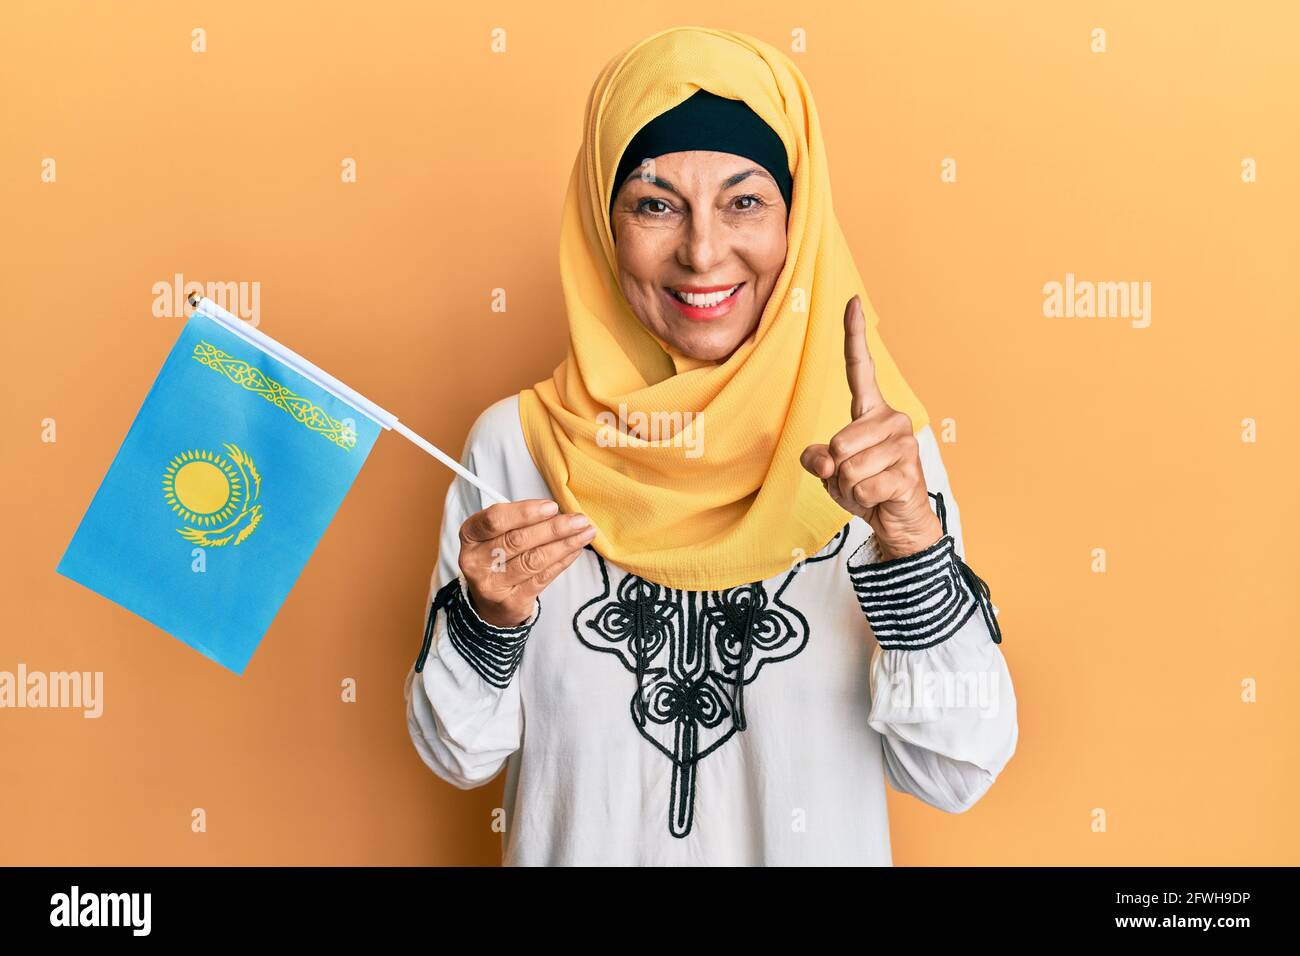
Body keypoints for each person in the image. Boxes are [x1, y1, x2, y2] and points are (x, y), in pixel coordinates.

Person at [403, 25, 1018, 865]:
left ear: (797, 223)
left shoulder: (873, 458)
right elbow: (457, 753)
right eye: (655, 204)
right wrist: (486, 619)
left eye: (745, 201)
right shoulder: (519, 447)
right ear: (600, 224)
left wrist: (911, 545)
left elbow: (954, 771)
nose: (701, 251)